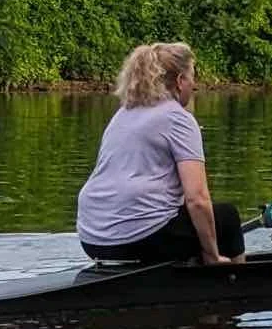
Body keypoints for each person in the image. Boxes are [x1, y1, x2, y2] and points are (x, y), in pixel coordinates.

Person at [77, 42, 243, 264]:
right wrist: (212, 254)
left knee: (191, 221)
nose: (194, 85)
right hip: (137, 239)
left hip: (92, 237)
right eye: (192, 76)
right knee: (228, 218)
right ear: (179, 81)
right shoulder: (179, 119)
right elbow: (198, 199)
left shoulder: (124, 113)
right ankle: (234, 287)